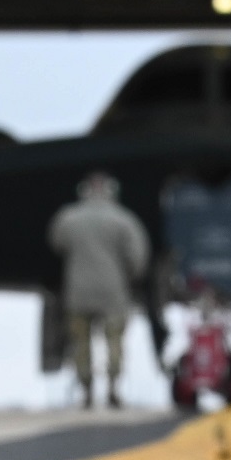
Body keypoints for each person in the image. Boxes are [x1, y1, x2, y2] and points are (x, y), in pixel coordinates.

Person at [48, 171, 149, 409]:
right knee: (114, 341)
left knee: (80, 343)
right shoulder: (124, 220)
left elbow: (57, 243)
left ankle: (87, 391)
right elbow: (137, 258)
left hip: (78, 291)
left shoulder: (68, 218)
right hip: (113, 292)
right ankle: (113, 388)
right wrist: (130, 278)